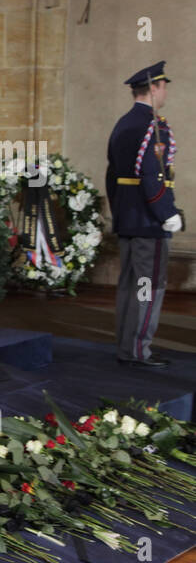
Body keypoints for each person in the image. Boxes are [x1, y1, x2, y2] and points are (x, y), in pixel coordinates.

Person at [107, 61, 180, 368]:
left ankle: (128, 348)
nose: (165, 93)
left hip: (129, 217)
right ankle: (138, 350)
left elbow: (113, 176)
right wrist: (167, 212)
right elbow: (153, 175)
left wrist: (120, 212)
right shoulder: (152, 125)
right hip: (150, 220)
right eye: (163, 86)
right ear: (153, 88)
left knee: (131, 285)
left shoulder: (124, 123)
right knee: (149, 286)